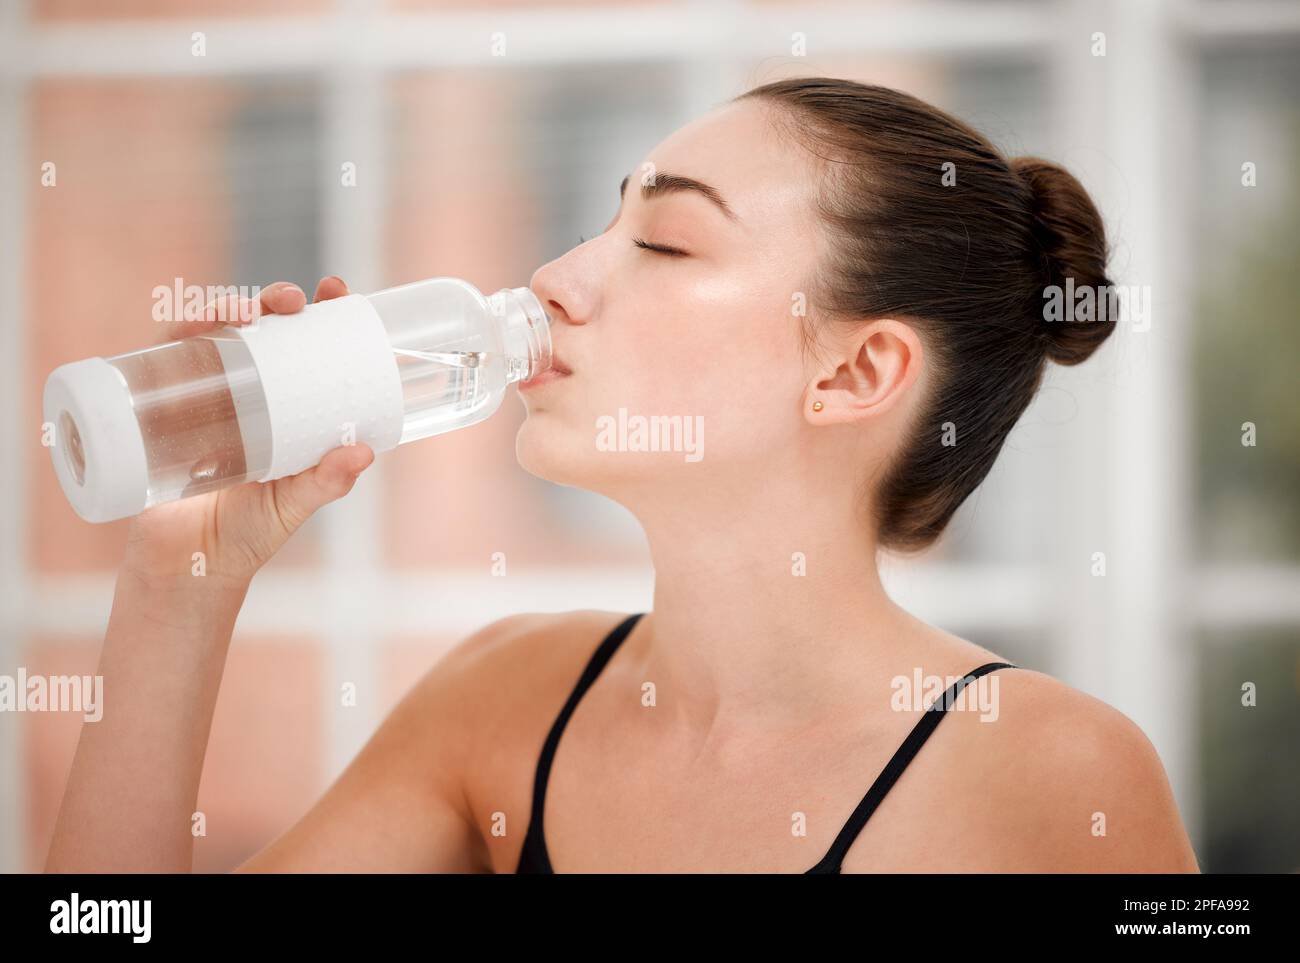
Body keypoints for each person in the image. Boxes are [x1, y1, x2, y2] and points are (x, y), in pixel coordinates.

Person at [45, 77, 1200, 873]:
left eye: (664, 243)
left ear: (854, 371)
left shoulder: (1050, 776)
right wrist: (179, 584)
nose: (555, 275)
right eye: (606, 221)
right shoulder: (503, 703)